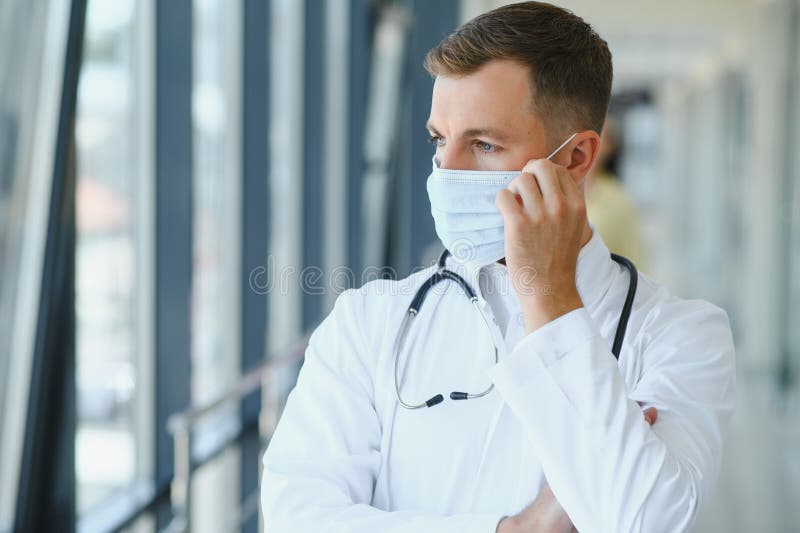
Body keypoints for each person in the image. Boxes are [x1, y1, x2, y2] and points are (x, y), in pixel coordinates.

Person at [260, 2, 736, 532]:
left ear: (576, 159)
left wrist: (549, 296)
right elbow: (296, 519)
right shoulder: (368, 321)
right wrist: (515, 530)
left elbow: (646, 520)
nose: (446, 172)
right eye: (441, 140)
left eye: (484, 144)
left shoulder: (682, 336)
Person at [584, 117, 647, 269]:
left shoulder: (618, 199)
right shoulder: (553, 187)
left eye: (601, 135)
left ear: (610, 146)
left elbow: (634, 259)